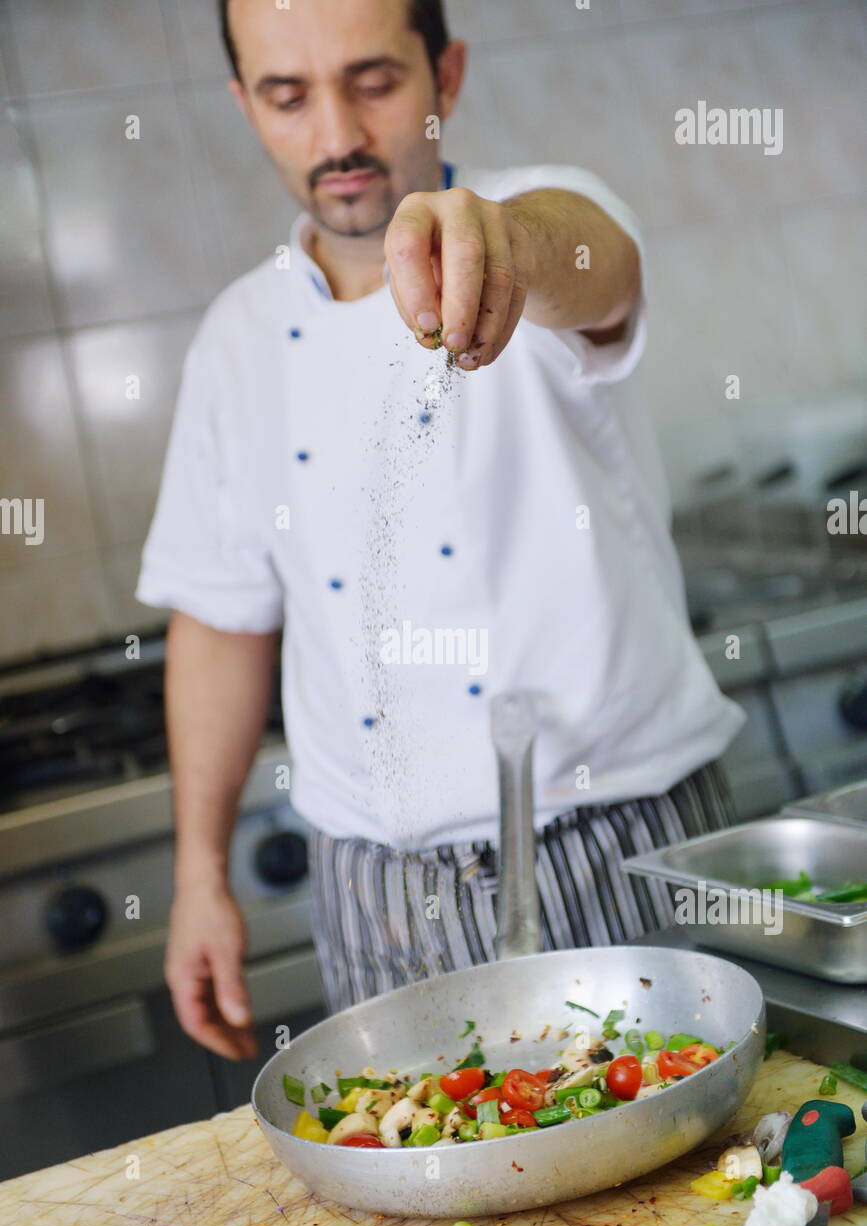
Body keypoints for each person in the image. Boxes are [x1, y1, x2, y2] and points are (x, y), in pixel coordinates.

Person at [136, 0, 744, 1059]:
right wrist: (197, 879)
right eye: (288, 95)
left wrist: (508, 242)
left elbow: (594, 265)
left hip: (616, 841)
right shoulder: (237, 339)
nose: (337, 136)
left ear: (446, 76)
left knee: (698, 1197)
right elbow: (220, 620)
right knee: (419, 1198)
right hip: (377, 896)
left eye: (374, 82)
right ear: (246, 105)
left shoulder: (546, 219)